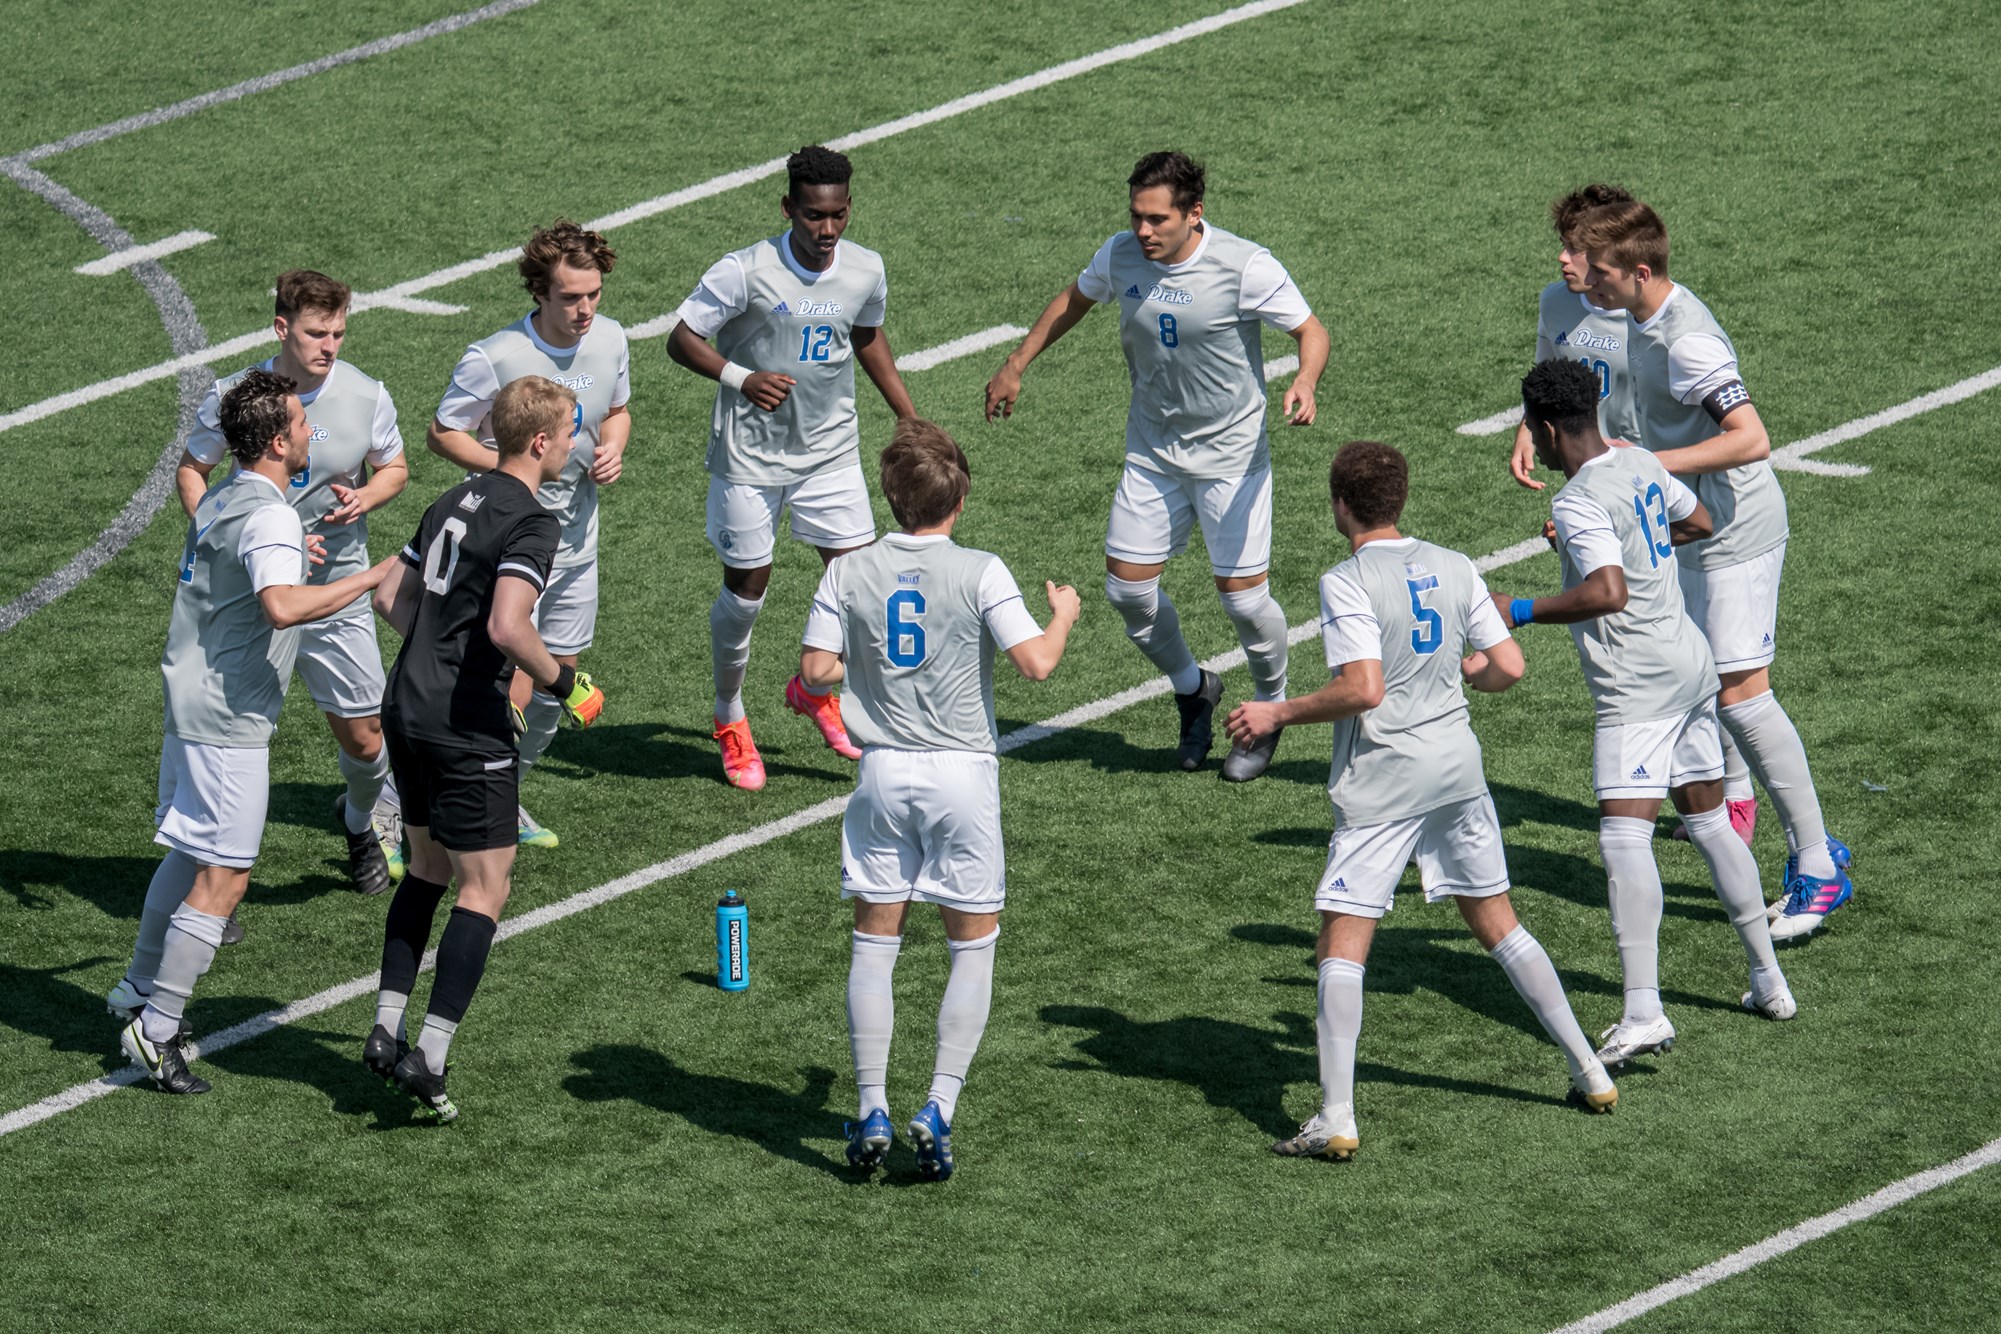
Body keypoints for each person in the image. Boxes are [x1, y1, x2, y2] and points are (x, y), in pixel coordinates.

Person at [1226, 441, 1616, 1161]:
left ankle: (1335, 1117)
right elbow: (1507, 667)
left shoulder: (1344, 580)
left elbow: (1362, 689)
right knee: (1499, 923)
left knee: (1341, 941)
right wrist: (1465, 674)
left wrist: (1276, 714)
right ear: (1399, 499)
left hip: (1386, 780)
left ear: (1340, 505)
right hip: (1457, 771)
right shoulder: (1456, 565)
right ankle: (1587, 1068)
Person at [985, 151, 1328, 781]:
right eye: (1136, 216)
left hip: (1231, 457)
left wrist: (1305, 379)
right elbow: (1075, 299)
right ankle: (1193, 687)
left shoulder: (1243, 265)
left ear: (1195, 215)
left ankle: (1271, 709)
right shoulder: (1121, 254)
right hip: (1154, 452)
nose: (1143, 231)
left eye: (1157, 220)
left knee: (1244, 603)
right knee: (1128, 591)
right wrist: (1017, 362)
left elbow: (1312, 330)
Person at [1490, 359, 1796, 1069]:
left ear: (1539, 429)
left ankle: (1643, 1011)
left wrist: (1520, 609)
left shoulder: (1575, 504)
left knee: (1623, 840)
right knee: (1708, 822)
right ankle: (1767, 980)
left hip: (1638, 687)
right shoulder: (1632, 460)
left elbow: (1606, 592)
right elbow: (1697, 519)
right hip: (1689, 664)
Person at [799, 418, 1078, 1180]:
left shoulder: (846, 572)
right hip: (961, 774)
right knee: (971, 944)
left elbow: (816, 668)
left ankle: (870, 1106)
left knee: (874, 944)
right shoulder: (982, 569)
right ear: (958, 500)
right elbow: (1036, 666)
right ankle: (939, 1106)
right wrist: (1063, 614)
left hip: (882, 773)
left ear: (890, 498)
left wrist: (859, 665)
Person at [1572, 200, 1851, 940]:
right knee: (1710, 682)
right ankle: (1734, 811)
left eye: (1597, 271)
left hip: (1734, 532)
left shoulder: (1687, 341)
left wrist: (1645, 468)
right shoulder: (1636, 319)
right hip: (1694, 526)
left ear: (1637, 270)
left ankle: (1818, 866)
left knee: (1741, 696)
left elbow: (1750, 437)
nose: (1586, 282)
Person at [113, 370, 393, 1093]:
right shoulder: (270, 514)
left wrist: (302, 556)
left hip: (190, 701)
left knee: (187, 854)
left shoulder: (229, 495)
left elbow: (254, 568)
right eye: (302, 424)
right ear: (277, 440)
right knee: (227, 876)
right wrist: (370, 579)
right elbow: (279, 607)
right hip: (227, 719)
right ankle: (158, 1028)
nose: (310, 433)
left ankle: (138, 988)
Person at [368, 376, 606, 1121]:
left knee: (429, 867)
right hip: (464, 723)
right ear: (540, 442)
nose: (574, 443)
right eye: (569, 432)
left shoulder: (454, 498)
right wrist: (565, 684)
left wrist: (440, 648)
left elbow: (389, 599)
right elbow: (508, 627)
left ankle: (384, 1030)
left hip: (404, 703)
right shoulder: (532, 520)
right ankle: (429, 1058)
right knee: (485, 888)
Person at [668, 144, 919, 791]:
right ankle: (729, 716)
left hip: (829, 453)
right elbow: (681, 337)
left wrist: (906, 413)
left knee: (858, 586)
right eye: (813, 216)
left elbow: (865, 334)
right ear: (788, 208)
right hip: (749, 461)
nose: (826, 231)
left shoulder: (864, 269)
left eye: (836, 216)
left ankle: (813, 690)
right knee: (747, 593)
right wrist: (739, 377)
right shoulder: (744, 271)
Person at [174, 270, 407, 906]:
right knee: (225, 743)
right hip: (252, 604)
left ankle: (361, 823)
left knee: (366, 738)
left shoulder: (366, 395)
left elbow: (395, 467)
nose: (329, 346)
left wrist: (367, 494)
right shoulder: (239, 396)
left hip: (332, 594)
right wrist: (218, 534)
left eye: (338, 332)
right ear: (282, 328)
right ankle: (207, 890)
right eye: (315, 333)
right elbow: (193, 469)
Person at [429, 220, 630, 850]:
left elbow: (617, 411)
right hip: (507, 542)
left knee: (559, 678)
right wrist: (512, 475)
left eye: (594, 294)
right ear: (539, 292)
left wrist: (614, 449)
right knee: (506, 678)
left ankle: (506, 790)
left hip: (576, 540)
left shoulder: (612, 340)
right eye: (571, 297)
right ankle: (405, 802)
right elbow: (443, 431)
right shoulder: (495, 357)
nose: (586, 309)